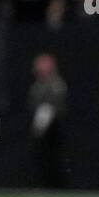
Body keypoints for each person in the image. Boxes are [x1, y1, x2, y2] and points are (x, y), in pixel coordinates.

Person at [28, 53, 67, 188]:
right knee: (40, 159)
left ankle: (55, 187)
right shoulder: (37, 85)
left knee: (52, 159)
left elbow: (51, 107)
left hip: (54, 132)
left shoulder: (56, 85)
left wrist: (43, 121)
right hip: (41, 133)